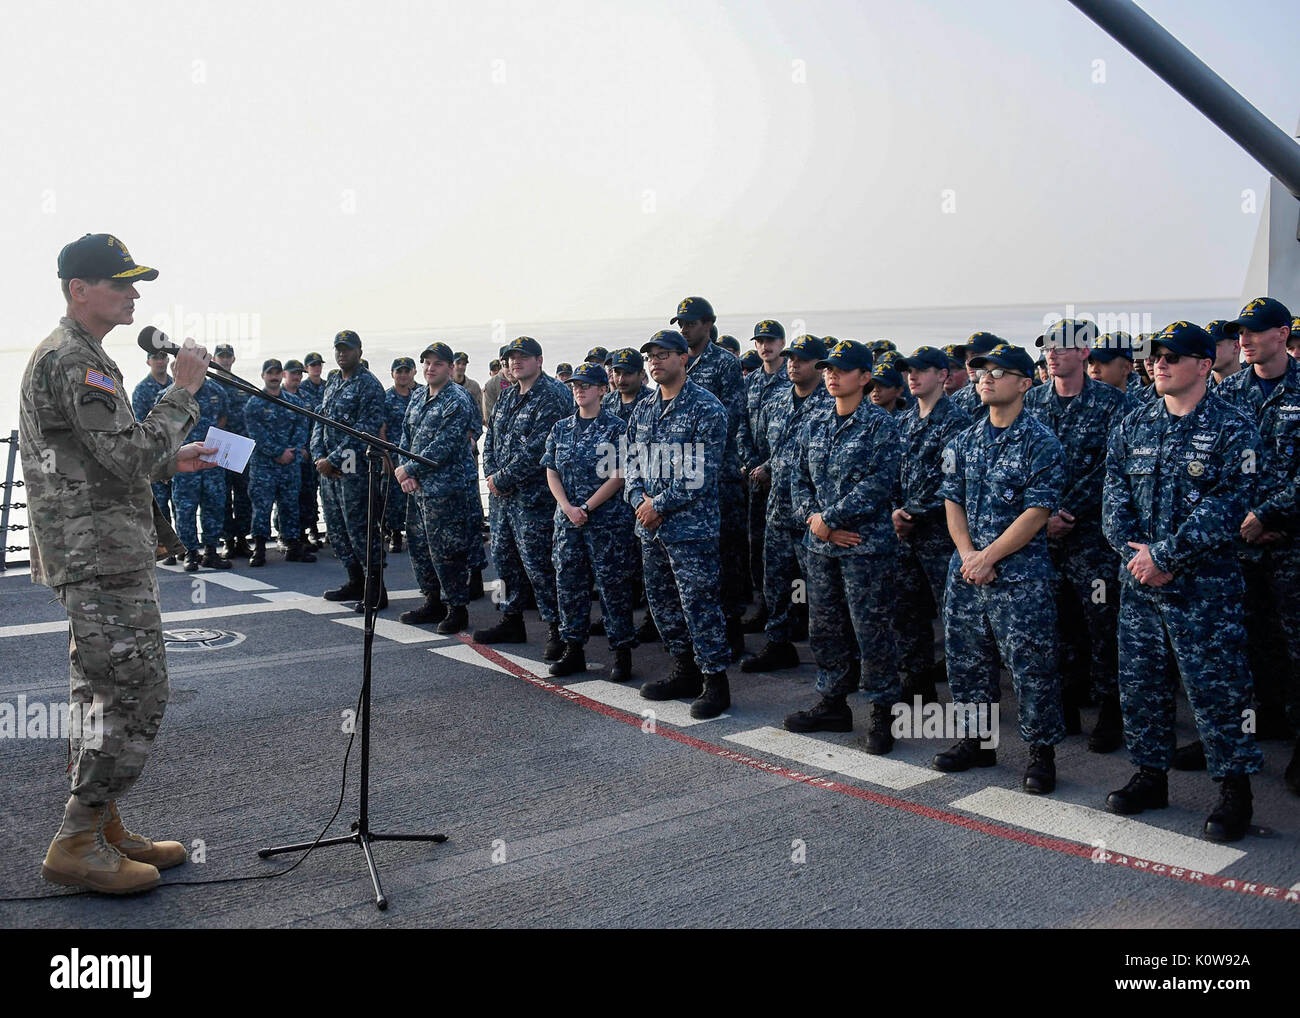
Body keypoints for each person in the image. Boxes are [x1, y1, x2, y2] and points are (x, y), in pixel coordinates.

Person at [22, 232, 217, 893]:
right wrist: (184, 390)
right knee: (131, 692)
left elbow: (110, 455)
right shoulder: (77, 364)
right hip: (98, 557)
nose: (135, 294)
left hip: (97, 550)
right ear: (80, 290)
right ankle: (77, 838)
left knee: (100, 692)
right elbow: (125, 458)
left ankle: (101, 823)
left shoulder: (82, 358)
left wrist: (172, 455)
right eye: (122, 282)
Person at [1102, 321, 1265, 839]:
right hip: (1139, 584)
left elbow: (1231, 502)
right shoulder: (1132, 423)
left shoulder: (1234, 426)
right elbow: (1113, 498)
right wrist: (1137, 557)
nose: (1159, 364)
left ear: (1202, 364)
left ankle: (1235, 790)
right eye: (1154, 356)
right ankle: (1150, 775)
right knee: (1142, 686)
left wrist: (1167, 555)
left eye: (1172, 356)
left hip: (1204, 589)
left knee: (1219, 691)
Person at [935, 342, 1066, 794]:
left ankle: (1040, 753)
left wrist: (989, 558)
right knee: (967, 662)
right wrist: (970, 555)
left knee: (1030, 666)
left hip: (1020, 575)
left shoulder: (1041, 441)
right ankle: (978, 740)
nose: (985, 378)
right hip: (967, 572)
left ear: (1025, 383)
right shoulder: (963, 440)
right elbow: (952, 501)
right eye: (981, 371)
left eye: (998, 371)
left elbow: (1038, 511)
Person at [782, 341, 901, 752]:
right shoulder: (814, 422)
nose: (831, 375)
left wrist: (829, 520)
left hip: (865, 548)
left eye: (842, 370)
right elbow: (796, 479)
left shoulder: (881, 425)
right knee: (825, 629)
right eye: (828, 369)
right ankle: (832, 702)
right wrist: (817, 522)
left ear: (865, 378)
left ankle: (883, 713)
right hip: (821, 548)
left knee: (872, 631)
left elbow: (879, 484)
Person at [1025, 319, 1136, 751]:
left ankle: (1112, 707)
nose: (1052, 354)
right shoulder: (1032, 401)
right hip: (1040, 537)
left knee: (1102, 624)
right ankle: (1066, 701)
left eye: (1062, 347)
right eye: (1048, 348)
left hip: (1091, 538)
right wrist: (1044, 513)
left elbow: (1114, 467)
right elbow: (1021, 459)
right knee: (1054, 622)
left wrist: (1067, 509)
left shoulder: (1113, 403)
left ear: (1084, 352)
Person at [1213, 298, 1300, 795]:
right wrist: (1245, 520)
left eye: (1253, 331)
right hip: (1240, 542)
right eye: (1239, 332)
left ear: (1281, 333)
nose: (1243, 339)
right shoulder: (1229, 393)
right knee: (1246, 641)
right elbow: (1217, 465)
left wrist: (1269, 514)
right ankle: (1260, 720)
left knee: (1296, 644)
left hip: (1292, 540)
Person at [626, 330, 731, 718]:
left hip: (691, 529)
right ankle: (683, 669)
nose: (655, 361)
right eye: (650, 356)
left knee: (699, 604)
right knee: (664, 605)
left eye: (664, 354)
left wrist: (659, 505)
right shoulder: (643, 409)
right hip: (650, 527)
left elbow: (700, 472)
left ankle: (715, 681)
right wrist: (640, 501)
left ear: (683, 358)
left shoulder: (706, 408)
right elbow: (632, 464)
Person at [475, 336, 574, 658]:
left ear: (539, 360)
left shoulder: (553, 395)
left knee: (542, 566)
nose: (516, 362)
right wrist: (491, 474)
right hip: (503, 499)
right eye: (512, 357)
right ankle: (511, 619)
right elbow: (491, 438)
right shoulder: (506, 396)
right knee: (505, 561)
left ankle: (559, 630)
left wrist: (503, 478)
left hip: (535, 500)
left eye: (523, 357)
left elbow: (539, 448)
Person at [741, 334, 834, 672]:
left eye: (803, 359)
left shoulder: (830, 404)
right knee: (777, 583)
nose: (794, 364)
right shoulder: (778, 401)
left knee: (821, 592)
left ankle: (837, 660)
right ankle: (778, 644)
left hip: (813, 515)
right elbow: (769, 447)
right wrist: (763, 465)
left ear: (820, 366)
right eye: (791, 358)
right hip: (779, 510)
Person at [541, 363, 638, 679]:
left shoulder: (616, 428)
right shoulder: (561, 429)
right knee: (569, 586)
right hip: (568, 523)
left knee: (613, 588)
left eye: (586, 385)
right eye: (574, 386)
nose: (579, 390)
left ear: (602, 389)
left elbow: (620, 474)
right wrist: (568, 507)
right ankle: (573, 649)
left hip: (605, 523)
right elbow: (551, 470)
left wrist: (586, 506)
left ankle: (621, 652)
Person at [888, 346, 971, 701]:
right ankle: (917, 681)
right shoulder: (902, 421)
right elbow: (888, 474)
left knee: (954, 616)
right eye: (909, 370)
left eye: (921, 370)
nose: (913, 376)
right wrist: (894, 510)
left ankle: (966, 688)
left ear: (943, 375)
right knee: (906, 611)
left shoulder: (959, 423)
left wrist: (912, 513)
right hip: (903, 537)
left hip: (941, 536)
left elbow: (956, 485)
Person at [674, 296, 749, 660]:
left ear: (708, 323)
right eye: (681, 323)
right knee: (695, 561)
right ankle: (696, 631)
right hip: (684, 478)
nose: (685, 329)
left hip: (719, 473)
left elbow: (732, 416)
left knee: (727, 552)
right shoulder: (678, 362)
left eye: (691, 322)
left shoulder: (724, 364)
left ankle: (732, 629)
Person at [393, 343, 477, 635]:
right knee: (419, 546)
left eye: (438, 364)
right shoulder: (417, 396)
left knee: (447, 550)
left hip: (446, 490)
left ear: (451, 368)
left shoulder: (457, 399)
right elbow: (405, 435)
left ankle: (457, 608)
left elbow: (445, 444)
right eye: (427, 363)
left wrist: (410, 469)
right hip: (416, 489)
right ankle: (432, 600)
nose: (430, 368)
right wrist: (404, 472)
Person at [311, 331, 388, 608]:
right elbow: (320, 418)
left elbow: (365, 430)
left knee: (361, 528)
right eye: (338, 349)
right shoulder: (332, 381)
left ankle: (375, 589)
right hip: (329, 469)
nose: (342, 353)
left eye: (348, 349)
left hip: (354, 467)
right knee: (338, 528)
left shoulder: (369, 385)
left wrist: (333, 458)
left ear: (359, 351)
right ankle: (355, 581)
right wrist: (319, 456)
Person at [738, 320, 790, 634]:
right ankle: (766, 605)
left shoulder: (790, 380)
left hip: (781, 479)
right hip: (754, 479)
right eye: (760, 341)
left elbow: (792, 432)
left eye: (771, 340)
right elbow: (741, 424)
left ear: (782, 343)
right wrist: (749, 463)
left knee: (786, 554)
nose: (765, 346)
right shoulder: (752, 382)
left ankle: (794, 609)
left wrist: (769, 466)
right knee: (757, 545)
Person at [245, 359, 315, 566]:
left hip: (290, 464)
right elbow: (255, 434)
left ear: (282, 375)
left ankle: (293, 545)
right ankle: (259, 548)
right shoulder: (254, 403)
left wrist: (290, 452)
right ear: (263, 376)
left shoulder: (295, 403)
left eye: (277, 373)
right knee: (261, 507)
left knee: (290, 505)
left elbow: (302, 429)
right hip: (264, 466)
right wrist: (277, 453)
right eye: (270, 373)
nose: (274, 377)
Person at [172, 371, 231, 571]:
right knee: (185, 509)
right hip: (185, 460)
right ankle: (190, 552)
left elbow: (223, 418)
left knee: (214, 506)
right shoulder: (172, 393)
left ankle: (211, 551)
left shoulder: (217, 390)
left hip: (210, 460)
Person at [133, 349, 177, 562]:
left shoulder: (176, 386)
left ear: (168, 360)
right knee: (160, 503)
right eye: (155, 358)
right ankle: (165, 547)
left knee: (180, 504)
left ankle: (185, 547)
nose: (160, 361)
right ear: (148, 361)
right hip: (156, 457)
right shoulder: (142, 390)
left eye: (163, 357)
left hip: (178, 453)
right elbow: (141, 426)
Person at [212, 343, 253, 560]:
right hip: (219, 449)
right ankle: (228, 540)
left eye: (228, 357)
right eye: (221, 356)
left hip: (240, 448)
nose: (225, 360)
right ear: (215, 359)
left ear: (233, 359)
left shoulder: (242, 386)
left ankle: (243, 539)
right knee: (223, 497)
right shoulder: (209, 386)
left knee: (243, 496)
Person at [382, 356, 417, 552]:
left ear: (413, 372)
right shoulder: (386, 398)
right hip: (394, 453)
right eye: (399, 371)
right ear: (393, 374)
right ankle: (395, 534)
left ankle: (414, 534)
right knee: (394, 497)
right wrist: (386, 454)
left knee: (415, 495)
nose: (403, 375)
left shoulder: (419, 395)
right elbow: (382, 427)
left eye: (406, 371)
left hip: (415, 454)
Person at [297, 352, 327, 546]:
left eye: (318, 365)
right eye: (312, 365)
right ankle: (311, 528)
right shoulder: (301, 390)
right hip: (307, 450)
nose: (316, 368)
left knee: (326, 491)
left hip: (326, 449)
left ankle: (327, 529)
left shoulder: (329, 387)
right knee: (307, 492)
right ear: (306, 368)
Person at [1207, 320, 1244, 390]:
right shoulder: (1199, 392)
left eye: (1214, 345)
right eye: (1205, 346)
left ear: (1235, 346)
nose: (1208, 351)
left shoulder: (1260, 385)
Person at [453, 351, 484, 417]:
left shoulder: (474, 386)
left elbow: (479, 411)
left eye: (464, 364)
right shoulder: (445, 385)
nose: (461, 366)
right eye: (458, 363)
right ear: (452, 365)